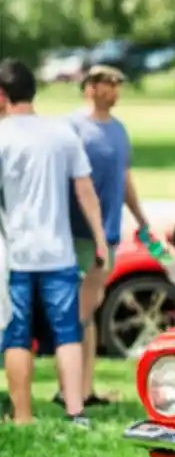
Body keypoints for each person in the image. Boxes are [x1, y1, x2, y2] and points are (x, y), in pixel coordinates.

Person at [0, 59, 108, 427]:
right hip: (58, 253)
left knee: (17, 336)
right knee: (67, 333)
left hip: (15, 256)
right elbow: (85, 191)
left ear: (2, 96)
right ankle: (76, 412)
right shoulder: (62, 134)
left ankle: (23, 415)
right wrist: (99, 240)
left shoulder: (1, 136)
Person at [56, 65, 151, 408]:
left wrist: (141, 218)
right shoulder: (72, 128)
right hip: (75, 233)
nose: (116, 89)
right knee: (78, 311)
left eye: (118, 84)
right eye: (110, 84)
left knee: (89, 310)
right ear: (90, 88)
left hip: (107, 234)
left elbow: (124, 179)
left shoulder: (120, 131)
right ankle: (71, 389)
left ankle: (84, 388)